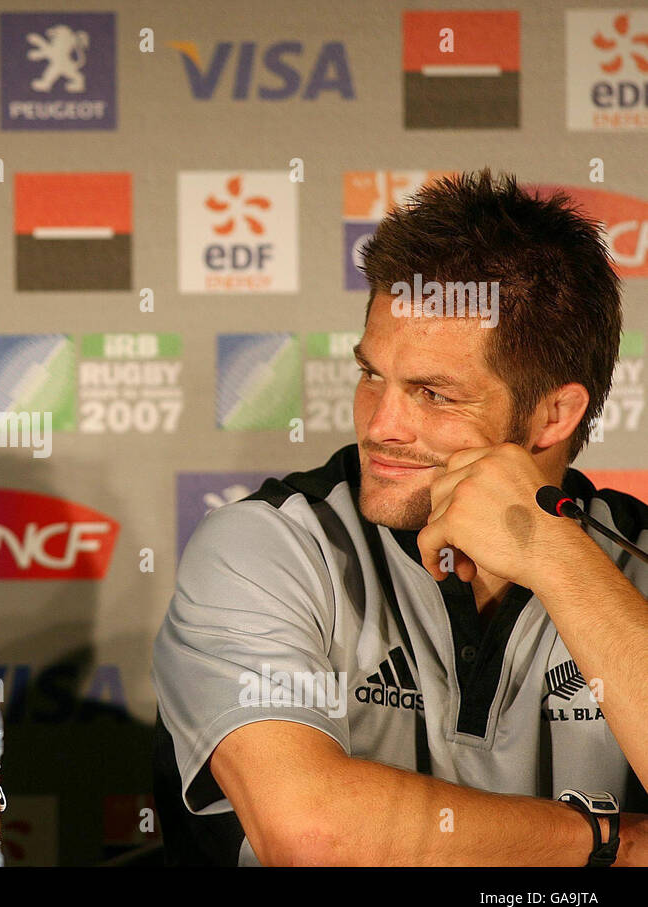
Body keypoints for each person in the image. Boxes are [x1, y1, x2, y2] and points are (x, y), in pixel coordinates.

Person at [153, 169, 648, 866]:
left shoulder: (637, 556)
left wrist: (556, 558)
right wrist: (612, 843)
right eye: (371, 375)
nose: (381, 425)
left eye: (433, 394)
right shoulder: (269, 547)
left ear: (553, 415)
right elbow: (312, 835)